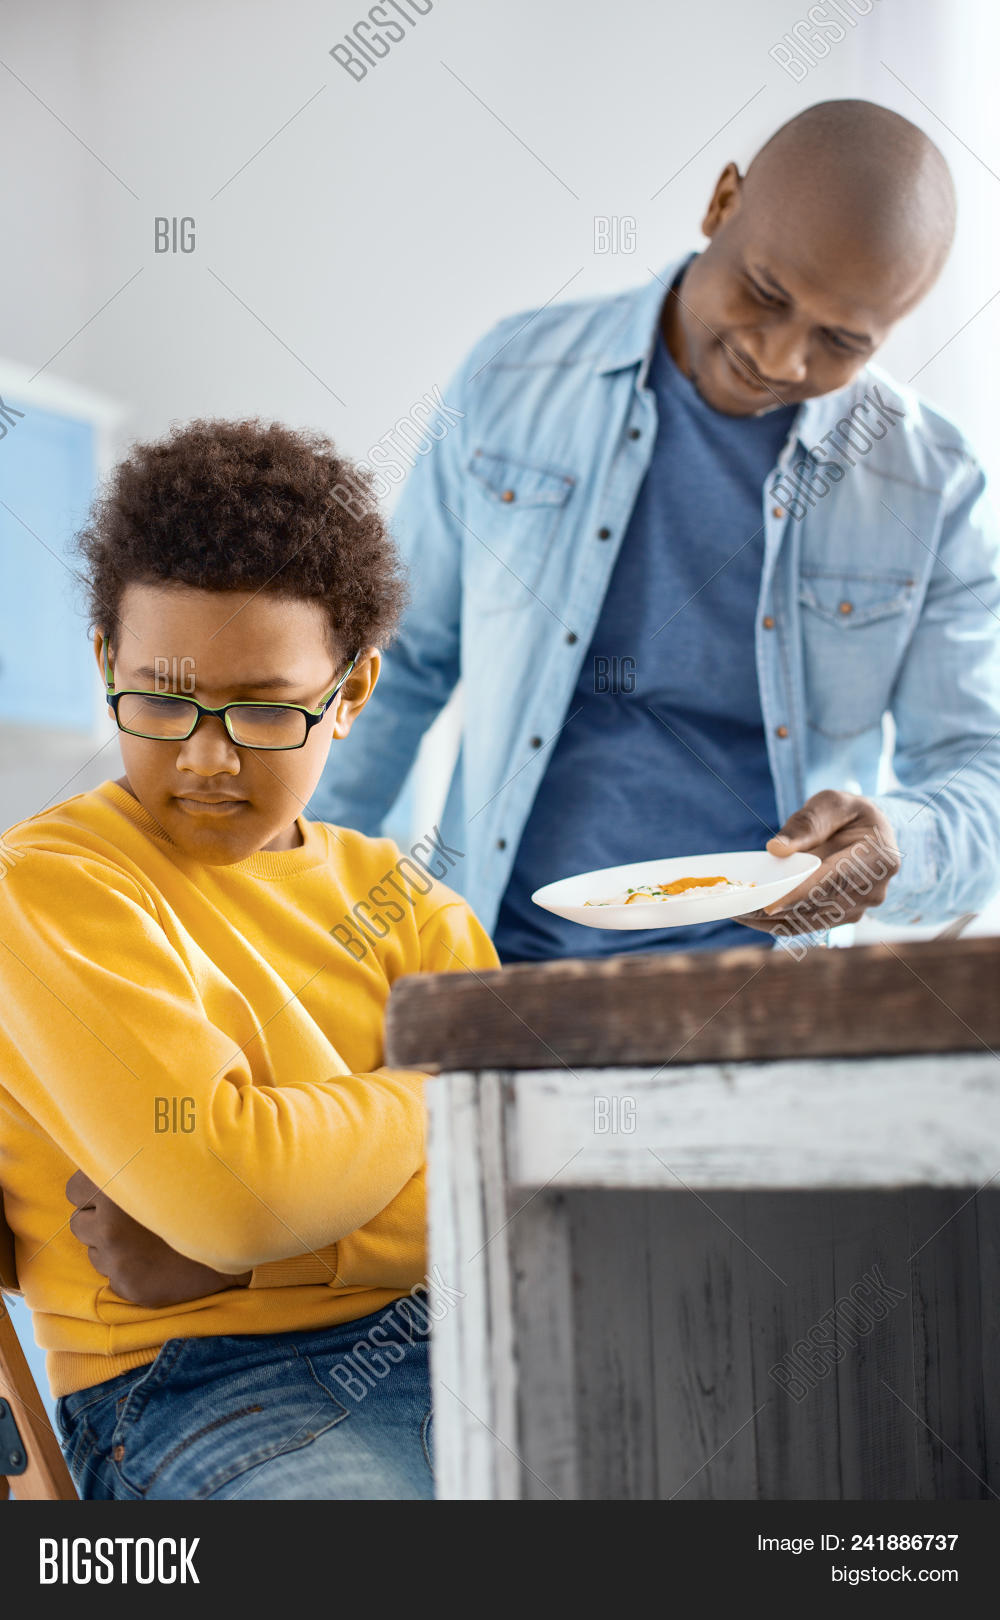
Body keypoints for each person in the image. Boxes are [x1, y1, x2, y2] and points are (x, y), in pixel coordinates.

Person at [312, 99, 1000, 961]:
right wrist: (299, 908)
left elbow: (982, 769)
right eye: (766, 294)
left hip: (769, 1006)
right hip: (492, 968)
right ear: (720, 203)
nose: (782, 360)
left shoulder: (933, 482)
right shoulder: (514, 380)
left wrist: (899, 839)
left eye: (840, 341)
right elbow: (395, 666)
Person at [0, 419, 498, 1500]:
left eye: (267, 710)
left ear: (352, 694)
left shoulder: (411, 907)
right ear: (107, 666)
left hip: (472, 1353)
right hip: (196, 1391)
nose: (207, 758)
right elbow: (224, 1185)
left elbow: (502, 1192)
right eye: (163, 701)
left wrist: (260, 1255)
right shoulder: (55, 884)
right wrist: (433, 1088)